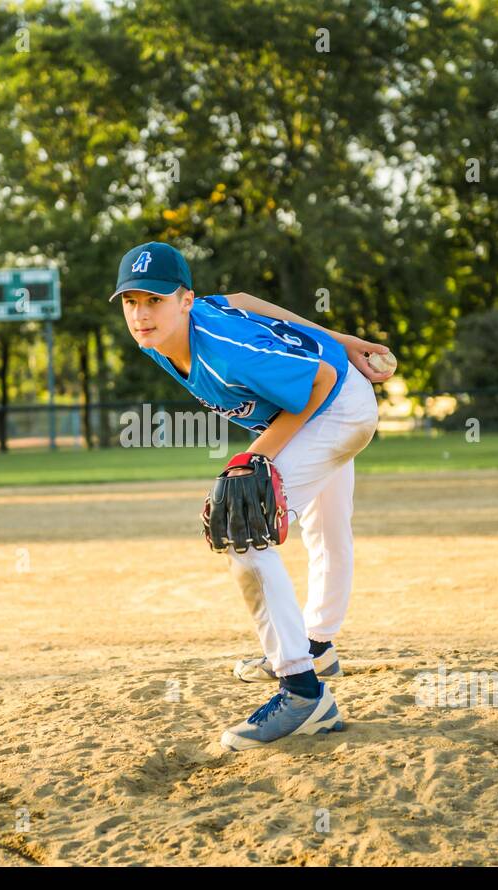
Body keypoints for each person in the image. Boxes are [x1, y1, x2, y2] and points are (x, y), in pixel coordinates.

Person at [110, 240, 397, 750]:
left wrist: (252, 458)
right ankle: (317, 647)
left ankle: (302, 691)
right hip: (335, 390)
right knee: (326, 528)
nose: (141, 314)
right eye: (132, 301)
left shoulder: (219, 350)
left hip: (334, 406)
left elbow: (320, 382)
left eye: (155, 300)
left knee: (243, 528)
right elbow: (242, 299)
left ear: (185, 300)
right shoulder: (173, 333)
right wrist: (341, 337)